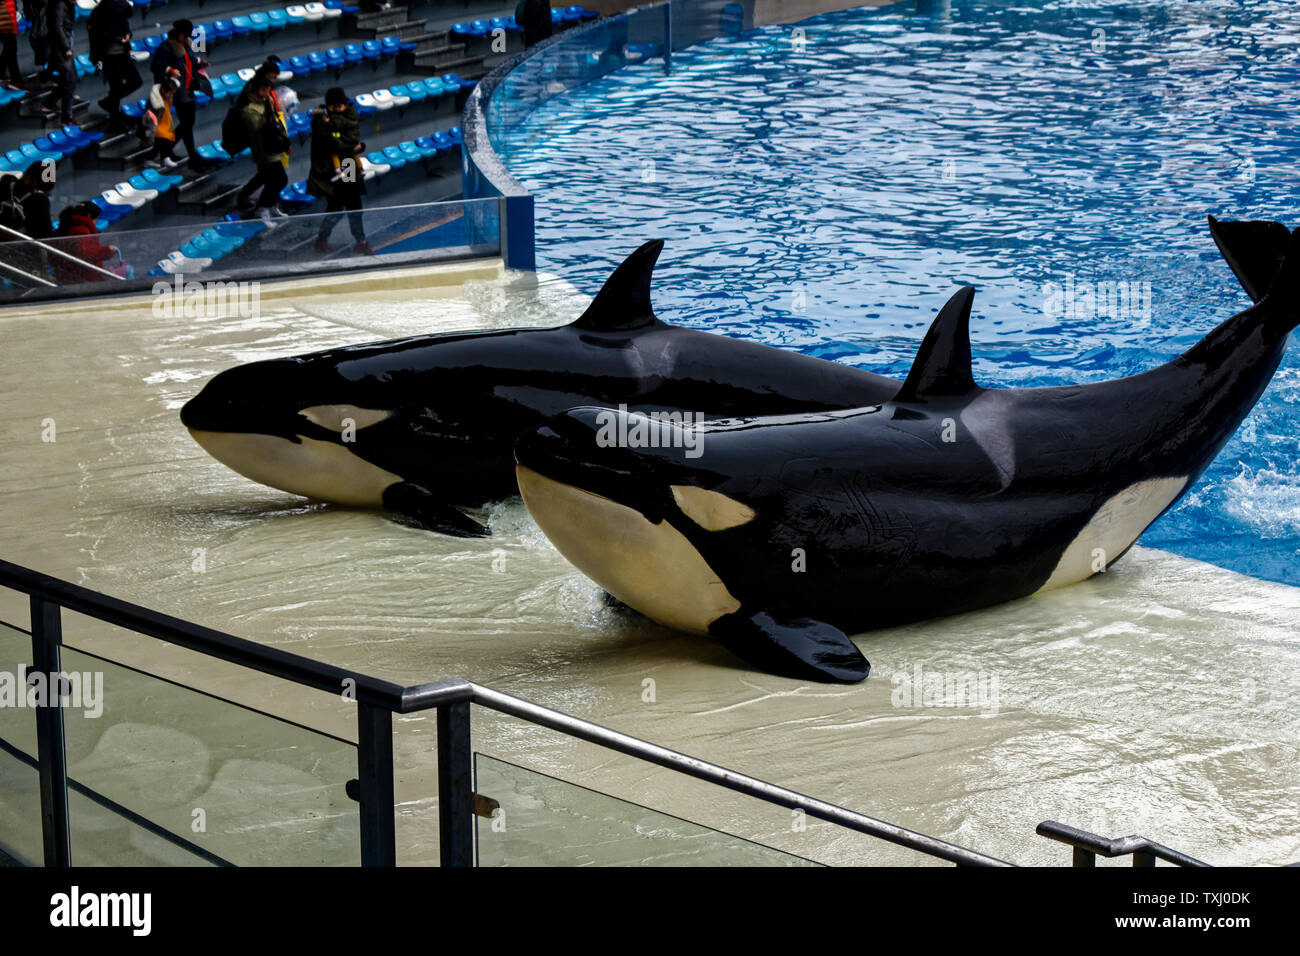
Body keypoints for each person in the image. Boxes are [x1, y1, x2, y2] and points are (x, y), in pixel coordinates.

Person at [309, 87, 373, 256]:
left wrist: (357, 147)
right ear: (328, 105)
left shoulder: (346, 118)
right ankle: (322, 239)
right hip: (331, 169)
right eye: (334, 105)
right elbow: (332, 144)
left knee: (355, 205)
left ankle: (361, 242)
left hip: (348, 164)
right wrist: (354, 147)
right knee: (335, 208)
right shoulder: (319, 121)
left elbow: (351, 139)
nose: (338, 108)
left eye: (341, 105)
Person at [150, 20, 211, 171]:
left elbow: (189, 63)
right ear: (180, 34)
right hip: (177, 91)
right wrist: (169, 71)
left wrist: (200, 64)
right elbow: (156, 66)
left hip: (188, 88)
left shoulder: (185, 46)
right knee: (187, 124)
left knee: (187, 124)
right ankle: (186, 156)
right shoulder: (166, 48)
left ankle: (168, 150)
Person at [233, 57, 287, 211]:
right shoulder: (253, 93)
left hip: (268, 136)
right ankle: (262, 207)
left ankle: (264, 204)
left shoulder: (266, 90)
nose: (273, 81)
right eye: (270, 77)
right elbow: (252, 116)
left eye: (275, 78)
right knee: (275, 177)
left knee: (267, 174)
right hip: (260, 138)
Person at [87, 0, 139, 132]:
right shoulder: (100, 12)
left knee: (135, 81)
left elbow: (127, 17)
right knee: (115, 87)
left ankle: (109, 102)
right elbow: (95, 36)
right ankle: (114, 121)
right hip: (109, 56)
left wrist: (128, 35)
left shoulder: (119, 10)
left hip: (122, 54)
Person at [51, 200, 119, 284]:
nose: (97, 221)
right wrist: (107, 250)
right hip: (82, 278)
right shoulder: (81, 231)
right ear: (89, 216)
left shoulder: (66, 226)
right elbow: (85, 255)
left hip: (67, 276)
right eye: (96, 218)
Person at [44, 0, 76, 123]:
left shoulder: (67, 4)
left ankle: (49, 102)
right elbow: (57, 27)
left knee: (69, 80)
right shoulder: (59, 4)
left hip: (64, 45)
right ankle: (66, 118)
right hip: (60, 48)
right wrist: (66, 48)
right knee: (70, 80)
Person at [142, 78, 180, 168]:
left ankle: (163, 157)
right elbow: (148, 113)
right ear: (163, 90)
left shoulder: (167, 96)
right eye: (170, 93)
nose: (171, 95)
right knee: (162, 138)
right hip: (155, 123)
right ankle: (154, 158)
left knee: (166, 138)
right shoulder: (154, 99)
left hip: (164, 121)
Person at [0, 0, 23, 89]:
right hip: (4, 18)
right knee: (11, 49)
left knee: (9, 48)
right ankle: (16, 81)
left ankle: (1, 73)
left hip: (8, 15)